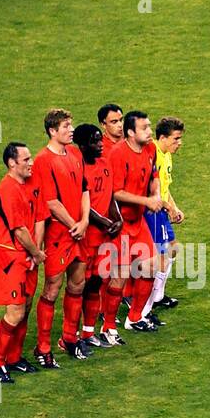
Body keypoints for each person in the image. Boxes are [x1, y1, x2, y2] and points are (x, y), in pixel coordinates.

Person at [30, 108, 90, 365]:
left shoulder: (75, 153)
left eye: (71, 125)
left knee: (78, 283)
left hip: (80, 230)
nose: (71, 129)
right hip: (58, 234)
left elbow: (84, 189)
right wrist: (73, 224)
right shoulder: (44, 160)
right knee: (52, 288)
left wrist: (85, 221)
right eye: (66, 126)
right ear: (52, 131)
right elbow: (50, 201)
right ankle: (42, 347)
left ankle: (69, 338)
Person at [0, 143, 46, 381]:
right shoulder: (8, 189)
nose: (31, 163)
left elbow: (40, 219)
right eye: (26, 159)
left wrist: (36, 252)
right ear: (12, 163)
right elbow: (20, 230)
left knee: (26, 307)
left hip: (30, 256)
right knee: (14, 312)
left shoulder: (32, 183)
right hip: (11, 258)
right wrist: (35, 252)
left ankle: (14, 358)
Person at [107, 110, 163, 336]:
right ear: (130, 133)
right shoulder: (117, 154)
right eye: (145, 128)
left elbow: (154, 175)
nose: (150, 132)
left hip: (138, 221)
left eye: (149, 127)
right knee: (118, 278)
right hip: (120, 223)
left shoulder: (150, 149)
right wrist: (147, 200)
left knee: (150, 266)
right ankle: (108, 327)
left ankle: (135, 317)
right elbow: (116, 192)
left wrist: (156, 195)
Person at [71, 123, 123, 348]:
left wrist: (117, 217)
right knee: (78, 287)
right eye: (94, 141)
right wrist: (103, 221)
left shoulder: (105, 162)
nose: (101, 144)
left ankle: (88, 333)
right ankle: (69, 336)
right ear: (82, 146)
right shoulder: (77, 167)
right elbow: (79, 202)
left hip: (104, 237)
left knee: (95, 283)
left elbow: (110, 196)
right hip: (85, 238)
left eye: (100, 140)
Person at [142, 116, 184, 318]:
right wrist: (167, 207)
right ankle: (145, 307)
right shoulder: (153, 154)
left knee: (173, 249)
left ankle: (158, 296)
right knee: (158, 259)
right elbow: (149, 190)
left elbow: (165, 187)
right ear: (163, 137)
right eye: (176, 138)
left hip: (163, 210)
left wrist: (174, 207)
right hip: (153, 211)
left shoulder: (166, 155)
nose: (179, 143)